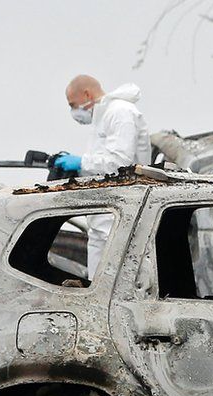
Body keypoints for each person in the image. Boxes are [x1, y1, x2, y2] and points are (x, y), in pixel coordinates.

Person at [54, 75, 150, 278]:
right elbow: (102, 162)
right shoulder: (104, 118)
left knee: (120, 267)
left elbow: (121, 162)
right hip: (106, 206)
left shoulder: (120, 112)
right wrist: (78, 170)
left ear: (87, 94)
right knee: (99, 274)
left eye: (73, 104)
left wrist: (81, 162)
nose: (73, 111)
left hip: (123, 203)